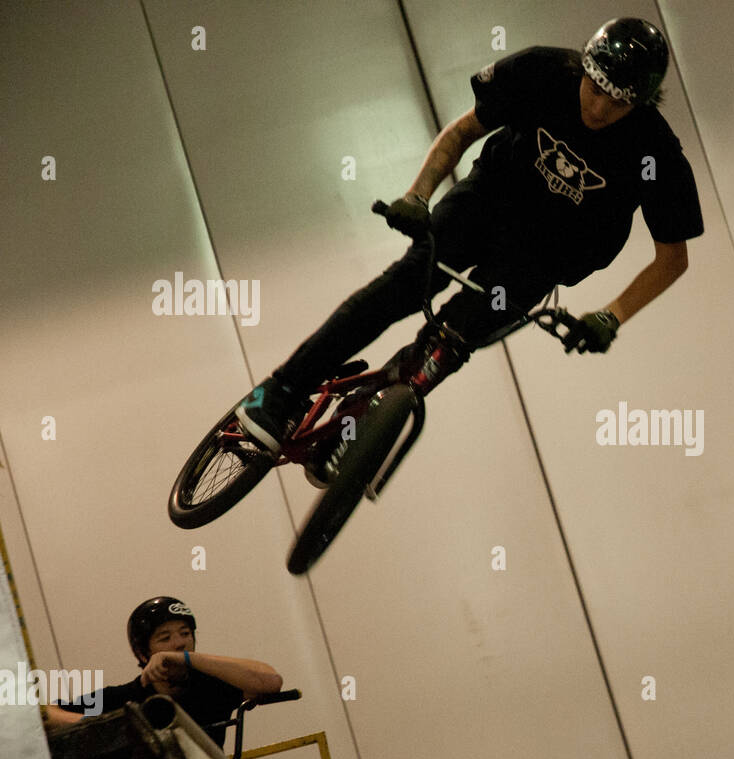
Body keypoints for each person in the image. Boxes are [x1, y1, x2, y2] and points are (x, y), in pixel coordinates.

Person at [234, 17, 705, 459]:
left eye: (617, 101)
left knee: (450, 343)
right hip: (488, 202)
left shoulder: (657, 154)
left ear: (641, 102)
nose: (598, 108)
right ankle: (281, 390)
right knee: (406, 284)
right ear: (583, 66)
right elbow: (463, 131)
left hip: (546, 255)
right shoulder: (541, 71)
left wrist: (612, 315)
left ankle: (357, 429)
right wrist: (418, 196)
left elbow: (672, 259)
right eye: (595, 86)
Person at [46, 597, 335, 759]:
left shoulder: (209, 688)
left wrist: (187, 660)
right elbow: (45, 712)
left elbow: (270, 680)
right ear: (142, 652)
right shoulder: (123, 697)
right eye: (165, 637)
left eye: (185, 633)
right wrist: (112, 727)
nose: (179, 642)